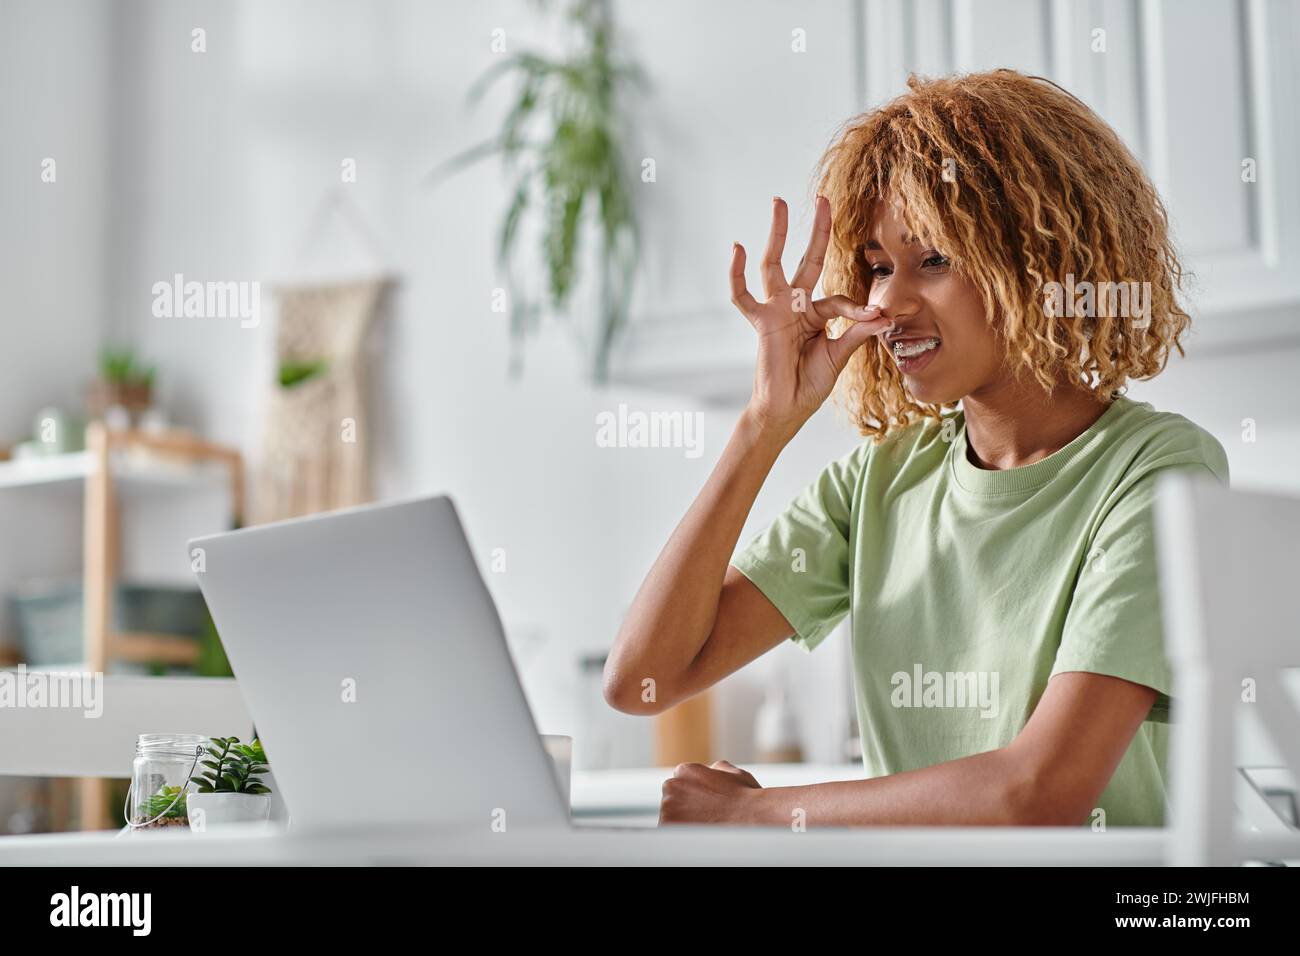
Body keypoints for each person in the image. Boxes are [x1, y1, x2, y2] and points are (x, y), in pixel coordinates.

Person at [603, 69, 1229, 828]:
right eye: (875, 266)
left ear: (1043, 260)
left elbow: (1041, 793)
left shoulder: (1156, 472)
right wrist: (763, 423)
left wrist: (760, 815)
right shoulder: (881, 482)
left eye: (932, 260)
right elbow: (641, 679)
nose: (887, 304)